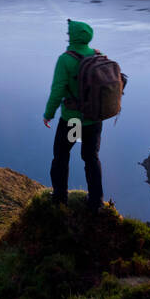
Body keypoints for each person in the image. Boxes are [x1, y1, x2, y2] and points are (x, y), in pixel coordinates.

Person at [42, 18, 104, 211]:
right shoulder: (98, 55)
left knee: (61, 156)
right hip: (94, 120)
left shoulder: (66, 59)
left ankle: (60, 198)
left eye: (69, 34)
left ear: (73, 37)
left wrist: (48, 114)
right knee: (91, 158)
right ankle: (96, 202)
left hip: (74, 121)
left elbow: (57, 90)